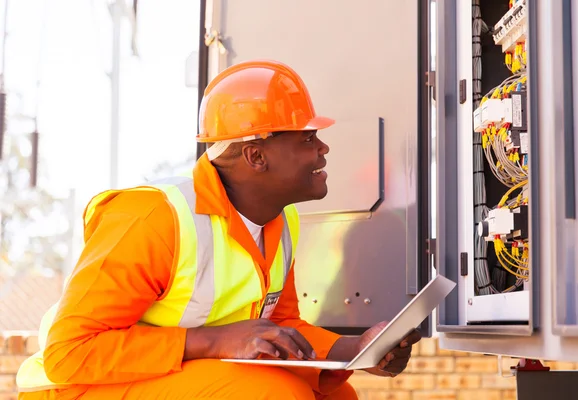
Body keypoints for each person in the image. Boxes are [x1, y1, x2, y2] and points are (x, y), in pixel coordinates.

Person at [16, 59, 422, 400]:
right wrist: (213, 340)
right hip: (74, 387)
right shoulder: (153, 219)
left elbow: (283, 329)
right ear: (255, 155)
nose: (323, 149)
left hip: (165, 377)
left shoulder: (281, 221)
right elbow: (68, 353)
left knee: (334, 395)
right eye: (307, 138)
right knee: (275, 395)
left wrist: (354, 350)